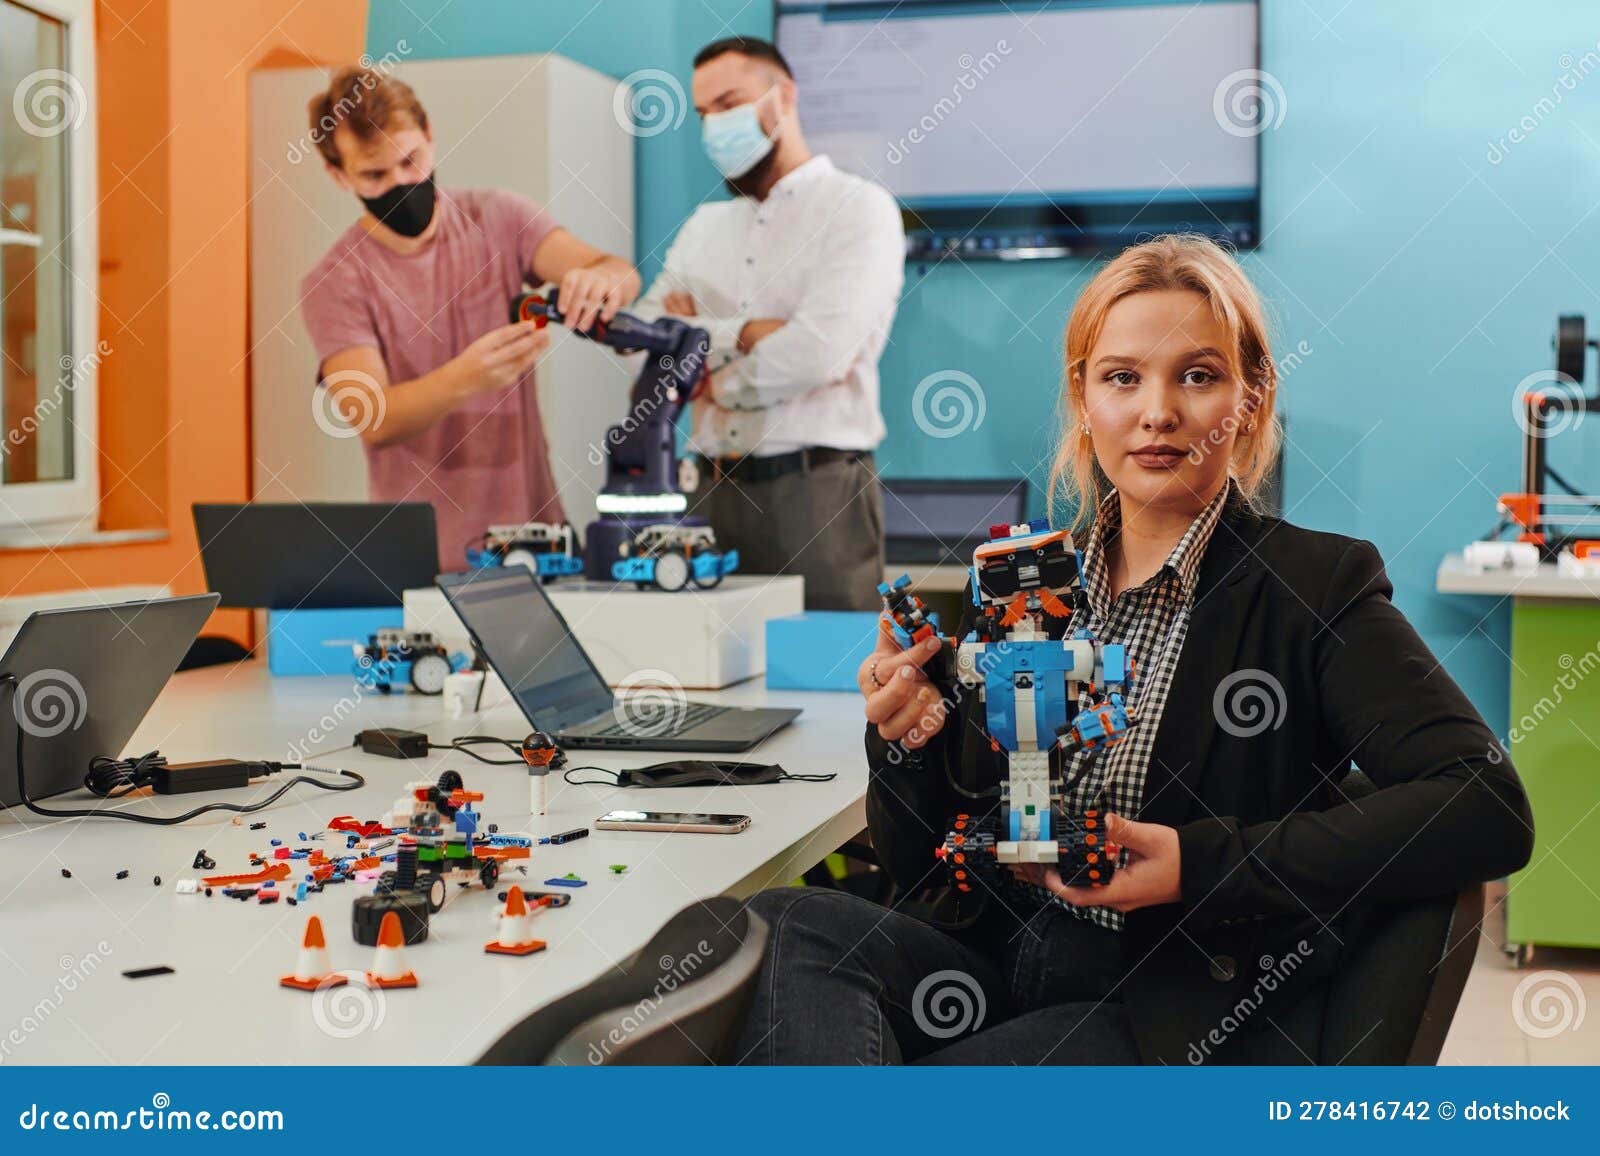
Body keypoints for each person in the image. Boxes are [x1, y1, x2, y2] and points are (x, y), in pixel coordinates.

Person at [733, 234, 1534, 1064]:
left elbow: (1484, 803)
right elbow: (918, 865)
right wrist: (906, 739)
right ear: (1084, 398)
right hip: (996, 955)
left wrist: (1198, 860)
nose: (1158, 412)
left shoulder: (1314, 585)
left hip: (1160, 998)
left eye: (1198, 375)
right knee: (787, 922)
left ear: (1249, 400)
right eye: (1122, 377)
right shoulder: (1028, 584)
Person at [297, 66, 641, 569]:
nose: (400, 182)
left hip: (537, 539)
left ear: (430, 135)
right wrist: (467, 377)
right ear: (337, 174)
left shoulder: (499, 218)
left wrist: (602, 281)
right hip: (424, 559)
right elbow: (374, 419)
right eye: (375, 174)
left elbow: (617, 273)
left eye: (410, 160)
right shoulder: (336, 281)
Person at [631, 36, 905, 611]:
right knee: (712, 676)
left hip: (817, 494)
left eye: (728, 103)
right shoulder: (704, 226)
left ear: (782, 97)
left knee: (833, 681)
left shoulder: (859, 209)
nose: (713, 127)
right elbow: (641, 339)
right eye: (704, 114)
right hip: (707, 491)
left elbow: (818, 353)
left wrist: (704, 363)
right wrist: (749, 331)